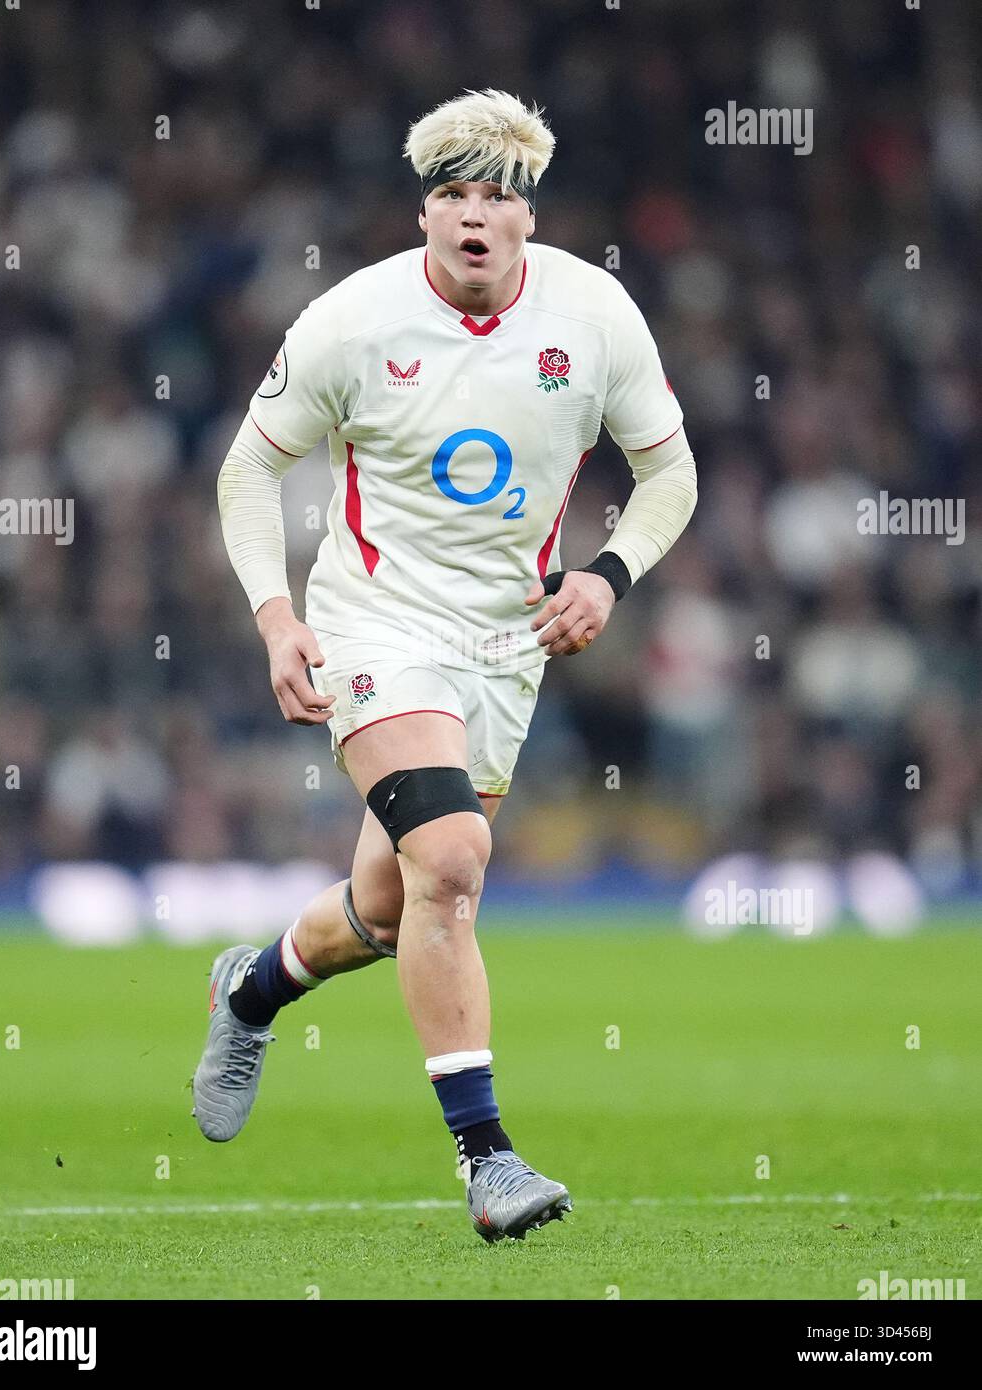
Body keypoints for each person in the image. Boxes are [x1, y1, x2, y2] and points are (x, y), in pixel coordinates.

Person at [193, 88, 698, 1242]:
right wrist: (277, 619)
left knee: (392, 902)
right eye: (452, 196)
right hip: (376, 623)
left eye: (495, 198)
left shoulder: (594, 316)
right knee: (455, 855)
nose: (474, 216)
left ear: (528, 217)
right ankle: (487, 1159)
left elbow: (669, 472)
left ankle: (250, 988)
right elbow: (246, 470)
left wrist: (605, 576)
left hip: (504, 648)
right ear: (422, 212)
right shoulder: (350, 323)